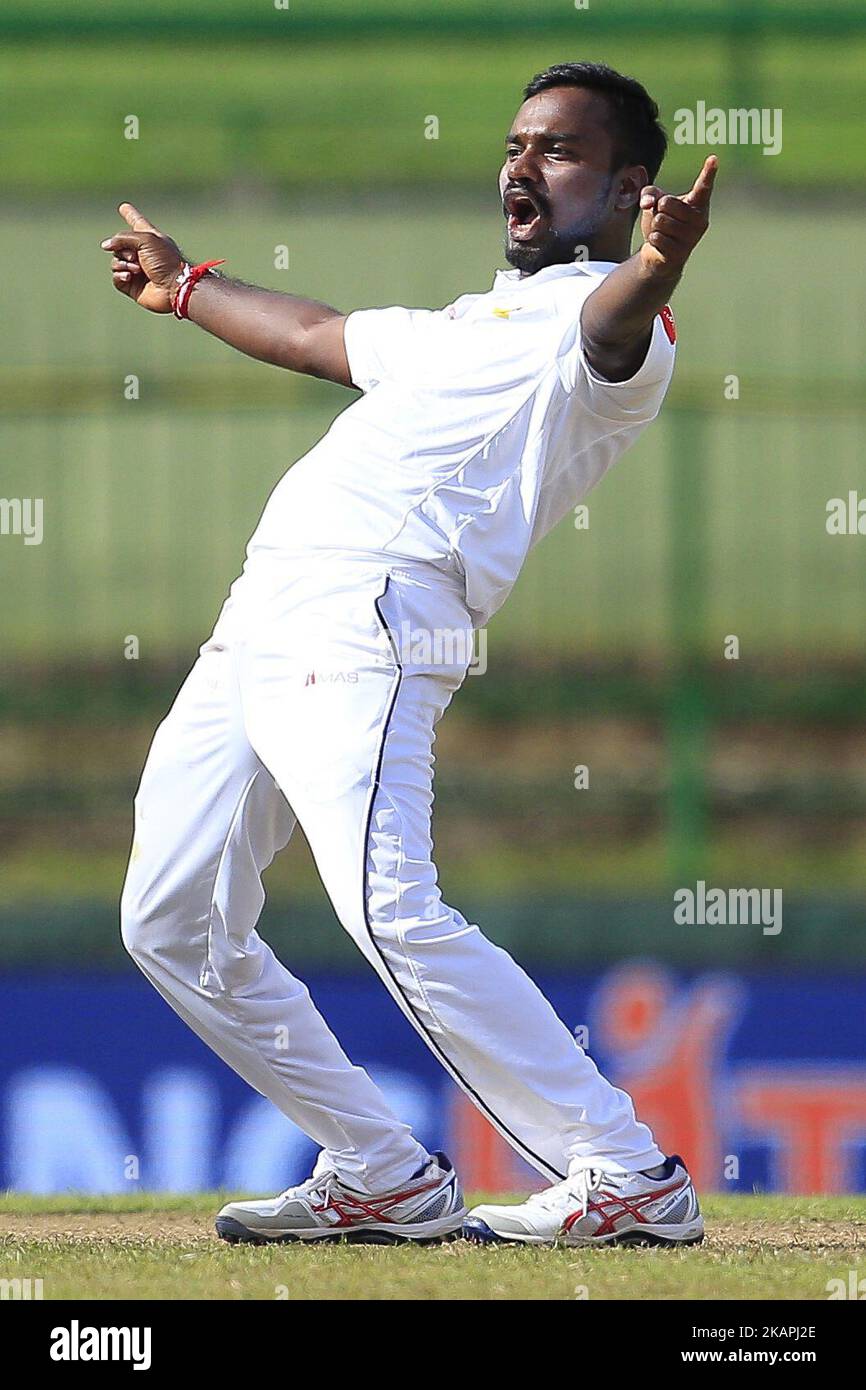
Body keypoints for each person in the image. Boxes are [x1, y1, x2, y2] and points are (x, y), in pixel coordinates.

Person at [103, 62, 715, 1247]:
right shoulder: (463, 322)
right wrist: (188, 289)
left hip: (370, 616)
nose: (520, 167)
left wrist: (658, 260)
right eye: (514, 145)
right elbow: (323, 335)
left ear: (628, 185)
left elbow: (619, 319)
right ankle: (377, 1168)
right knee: (168, 918)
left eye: (556, 150)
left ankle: (623, 1170)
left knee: (389, 905)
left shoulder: (608, 332)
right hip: (260, 617)